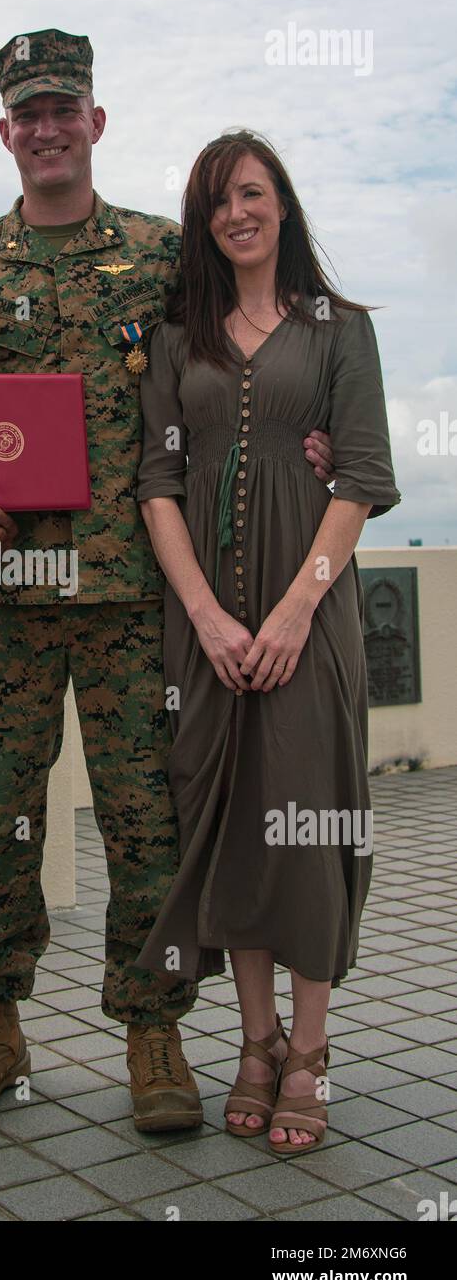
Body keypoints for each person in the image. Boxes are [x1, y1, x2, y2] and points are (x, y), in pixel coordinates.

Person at [0, 32, 335, 1132]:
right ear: (5, 132)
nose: (46, 127)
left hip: (134, 600)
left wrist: (312, 435)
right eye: (26, 113)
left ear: (93, 124)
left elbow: (245, 357)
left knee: (145, 825)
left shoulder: (160, 256)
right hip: (7, 596)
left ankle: (154, 1034)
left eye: (64, 108)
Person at [136, 129, 400, 1153]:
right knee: (231, 825)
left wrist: (291, 611)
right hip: (200, 630)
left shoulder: (339, 330)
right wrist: (204, 614)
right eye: (214, 202)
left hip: (309, 617)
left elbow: (360, 479)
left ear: (280, 204)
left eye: (249, 193)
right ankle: (252, 1041)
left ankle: (311, 1048)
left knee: (306, 819)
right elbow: (155, 486)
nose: (234, 213)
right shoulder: (175, 342)